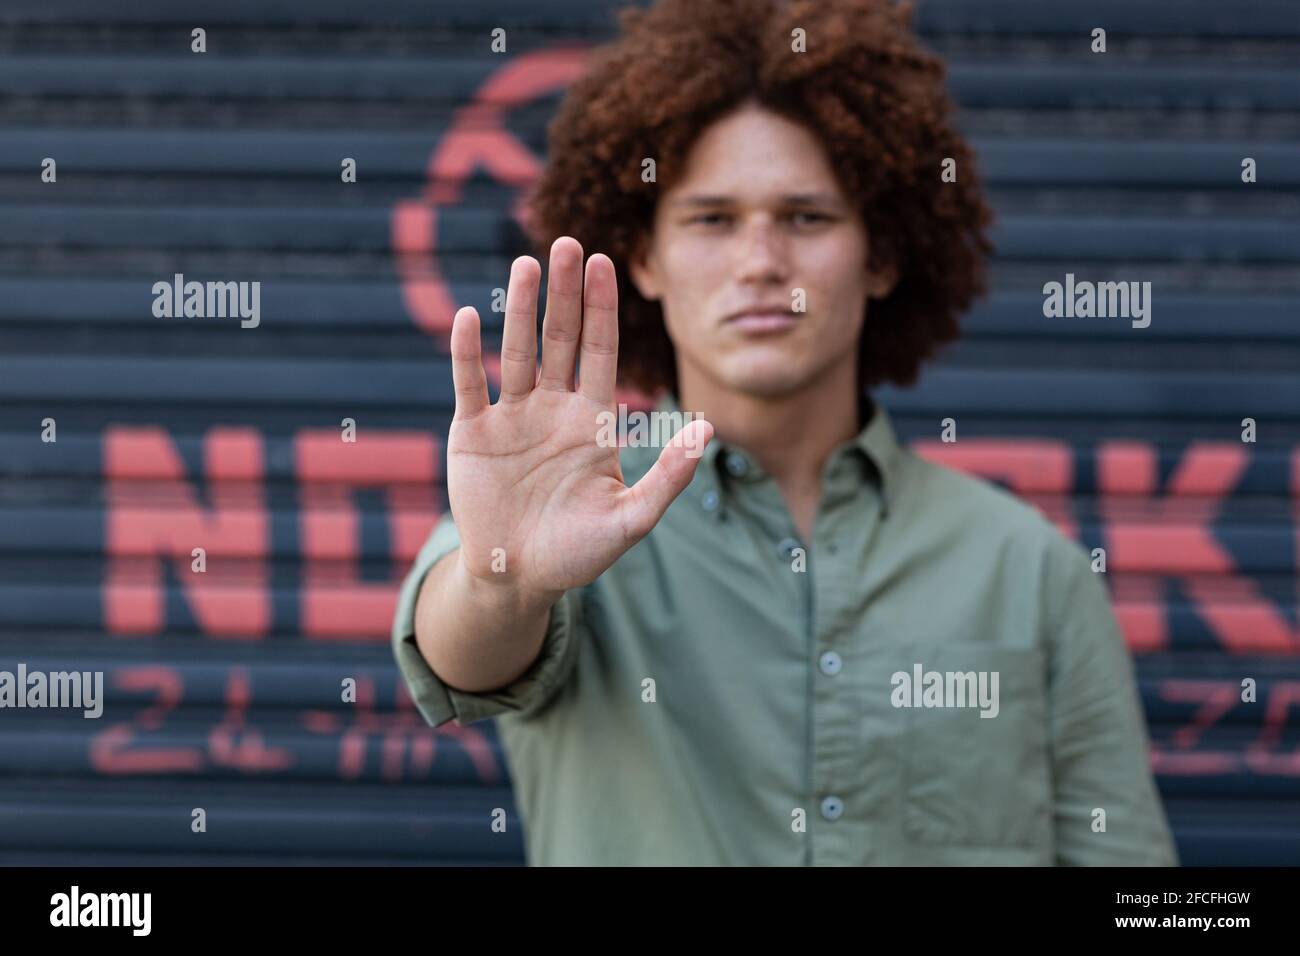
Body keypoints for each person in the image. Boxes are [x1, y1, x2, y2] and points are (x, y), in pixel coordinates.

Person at [391, 0, 1177, 865]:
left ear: (881, 256)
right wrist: (506, 581)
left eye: (806, 217)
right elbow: (462, 658)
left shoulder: (1029, 570)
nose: (761, 262)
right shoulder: (575, 517)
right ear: (643, 258)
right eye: (711, 219)